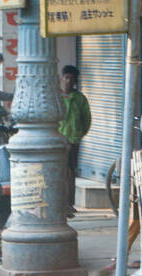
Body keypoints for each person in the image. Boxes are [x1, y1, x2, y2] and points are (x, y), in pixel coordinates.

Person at [59, 65, 90, 211]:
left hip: (73, 140)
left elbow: (86, 119)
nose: (68, 81)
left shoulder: (79, 99)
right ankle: (59, 202)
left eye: (71, 79)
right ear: (62, 78)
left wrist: (79, 134)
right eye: (66, 78)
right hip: (57, 140)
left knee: (70, 173)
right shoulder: (56, 97)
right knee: (58, 172)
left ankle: (69, 204)